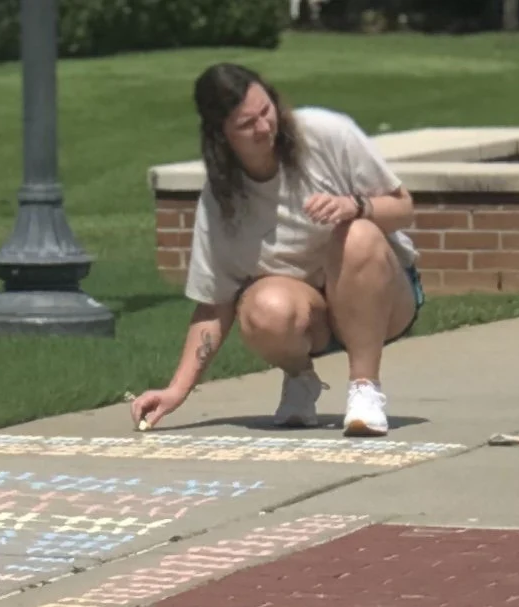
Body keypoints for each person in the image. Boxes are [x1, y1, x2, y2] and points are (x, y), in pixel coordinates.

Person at [132, 64, 421, 441]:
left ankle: (364, 389)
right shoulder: (222, 201)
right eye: (247, 124)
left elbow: (403, 208)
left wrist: (356, 206)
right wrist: (176, 391)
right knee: (262, 306)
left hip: (384, 300)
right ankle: (300, 379)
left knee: (358, 236)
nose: (265, 128)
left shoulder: (325, 133)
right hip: (309, 316)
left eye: (266, 111)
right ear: (221, 136)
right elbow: (214, 303)